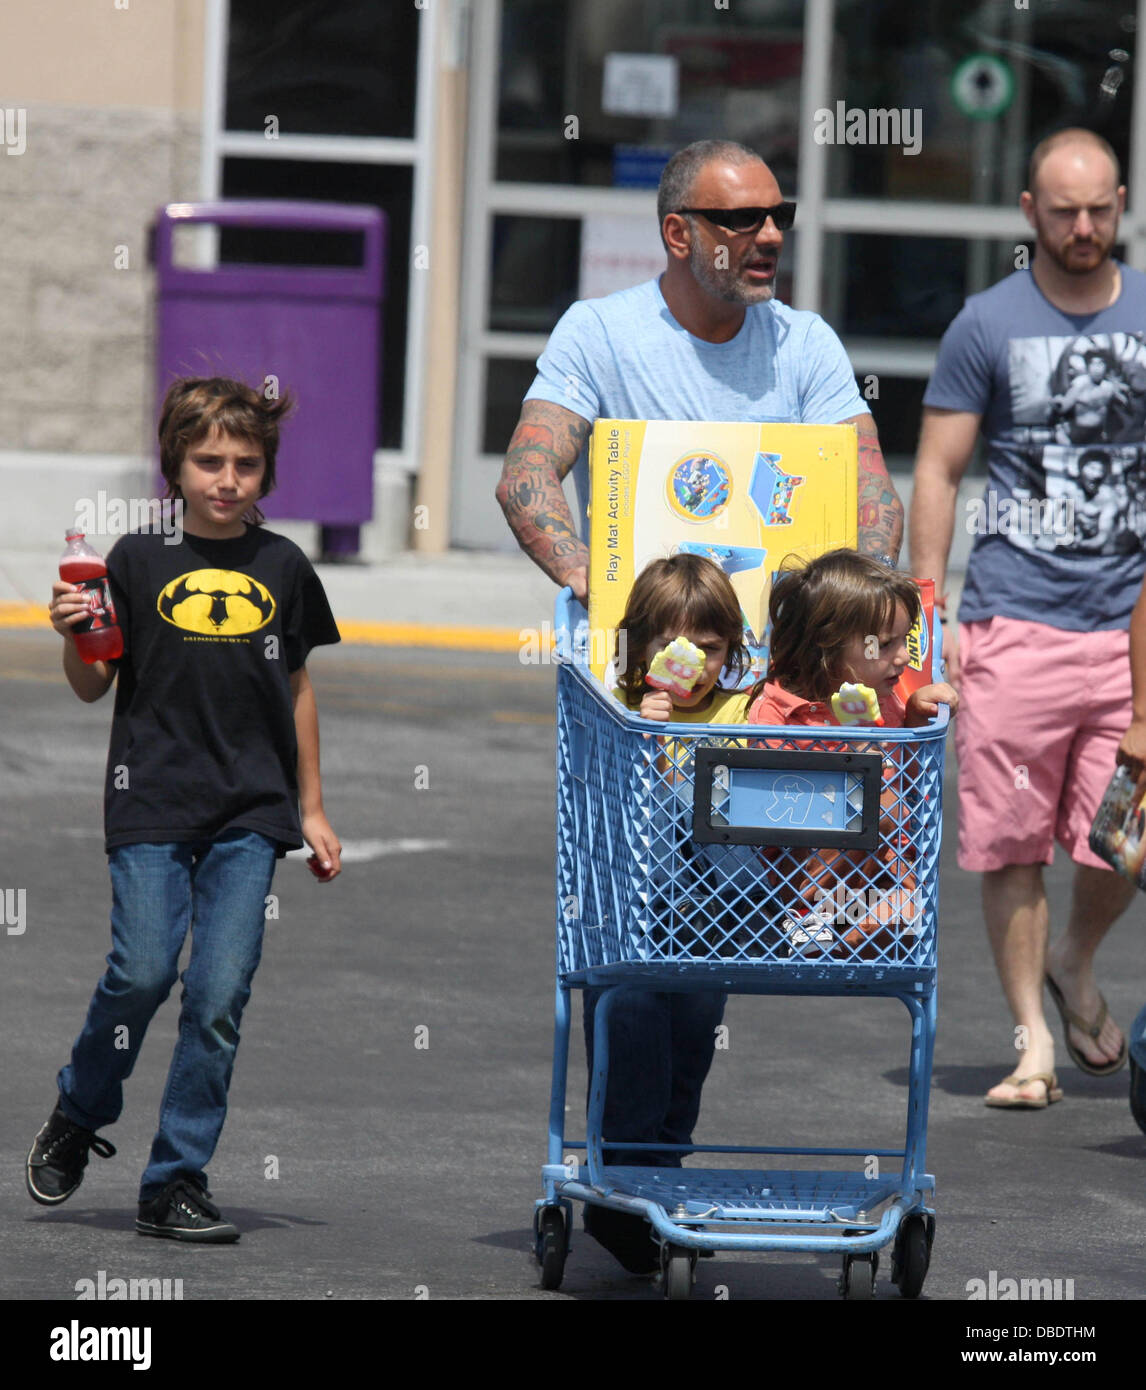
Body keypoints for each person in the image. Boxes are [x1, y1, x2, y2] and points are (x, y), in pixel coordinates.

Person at [496, 137, 904, 1270]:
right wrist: (607, 593)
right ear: (678, 233)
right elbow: (527, 476)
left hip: (765, 708)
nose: (768, 236)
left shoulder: (806, 348)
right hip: (645, 714)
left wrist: (861, 622)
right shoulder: (601, 334)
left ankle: (654, 1168)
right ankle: (633, 1179)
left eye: (779, 216)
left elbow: (872, 499)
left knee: (715, 948)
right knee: (638, 945)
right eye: (740, 220)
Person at [26, 377, 343, 1241]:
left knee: (217, 995)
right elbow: (92, 684)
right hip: (152, 800)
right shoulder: (135, 560)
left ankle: (174, 1181)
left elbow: (299, 689)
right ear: (175, 466)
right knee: (142, 973)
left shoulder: (284, 565)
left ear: (267, 471)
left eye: (246, 463)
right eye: (209, 461)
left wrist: (313, 808)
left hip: (253, 811)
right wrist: (72, 633)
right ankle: (79, 1110)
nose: (227, 479)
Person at [910, 128, 1143, 1108]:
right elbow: (937, 470)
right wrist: (928, 620)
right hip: (1013, 624)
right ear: (1028, 213)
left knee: (1121, 837)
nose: (1083, 227)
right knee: (1010, 844)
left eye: (1098, 209)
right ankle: (1033, 1041)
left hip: (1131, 633)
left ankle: (1074, 956)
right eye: (1063, 211)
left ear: (1121, 203)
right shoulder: (987, 323)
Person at [747, 550, 957, 956]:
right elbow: (775, 810)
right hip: (800, 883)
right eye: (885, 644)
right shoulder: (777, 712)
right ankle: (811, 923)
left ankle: (834, 934)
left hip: (877, 882)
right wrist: (855, 752)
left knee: (909, 913)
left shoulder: (886, 700)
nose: (903, 657)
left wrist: (914, 720)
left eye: (905, 640)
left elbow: (911, 790)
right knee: (863, 805)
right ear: (825, 647)